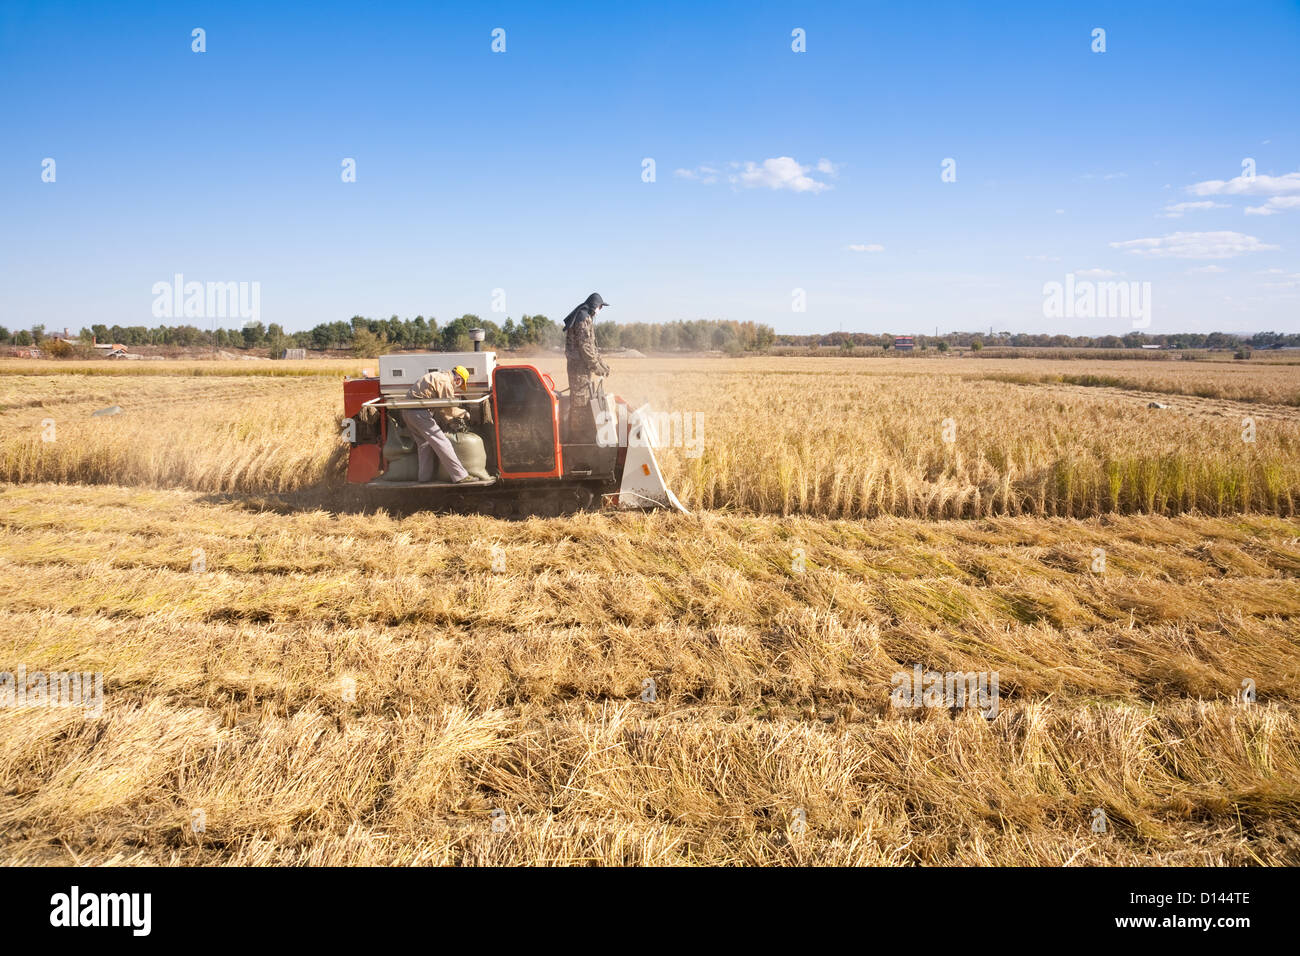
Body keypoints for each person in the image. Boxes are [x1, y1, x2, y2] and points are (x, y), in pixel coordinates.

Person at [403, 365, 476, 483]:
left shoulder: (439, 377)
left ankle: (424, 479)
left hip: (408, 412)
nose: (457, 386)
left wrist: (450, 420)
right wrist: (465, 413)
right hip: (419, 412)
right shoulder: (445, 382)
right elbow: (449, 408)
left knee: (424, 445)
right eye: (459, 384)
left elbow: (443, 409)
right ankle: (460, 476)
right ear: (458, 379)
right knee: (443, 442)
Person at [562, 292, 611, 440]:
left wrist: (602, 365)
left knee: (585, 400)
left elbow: (592, 347)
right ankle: (576, 437)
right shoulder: (582, 318)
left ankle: (581, 433)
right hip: (578, 368)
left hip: (582, 367)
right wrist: (596, 367)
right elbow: (585, 347)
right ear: (595, 305)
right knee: (579, 402)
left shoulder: (586, 317)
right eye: (600, 307)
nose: (600, 311)